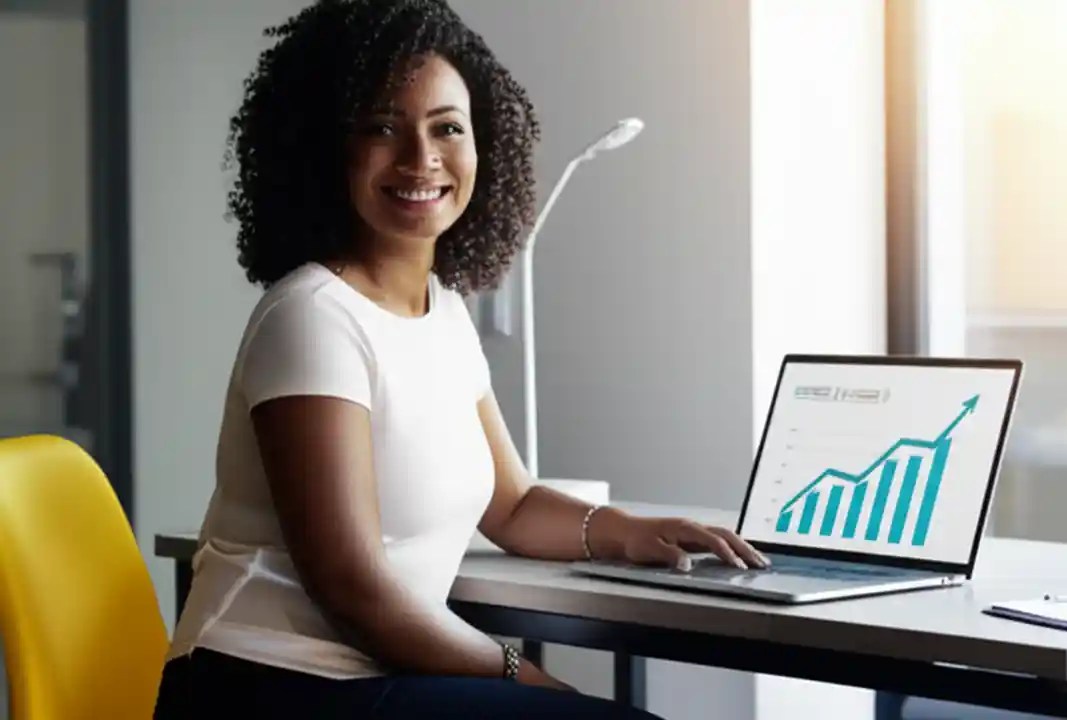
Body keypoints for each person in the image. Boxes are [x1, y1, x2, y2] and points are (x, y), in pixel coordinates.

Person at [152, 2, 768, 718]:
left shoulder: (442, 311)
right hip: (272, 688)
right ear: (329, 147)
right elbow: (352, 588)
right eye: (383, 128)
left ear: (484, 145)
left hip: (377, 676)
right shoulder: (312, 319)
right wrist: (516, 670)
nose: (422, 159)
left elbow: (511, 504)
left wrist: (627, 531)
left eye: (447, 127)